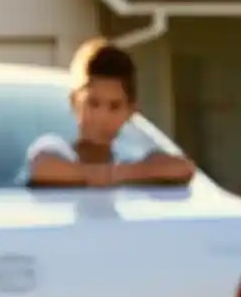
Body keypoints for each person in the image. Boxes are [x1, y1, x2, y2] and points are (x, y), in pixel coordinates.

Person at [26, 38, 195, 187]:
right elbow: (43, 168)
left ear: (131, 111)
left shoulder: (129, 157)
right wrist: (128, 174)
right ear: (73, 102)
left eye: (114, 107)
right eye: (93, 104)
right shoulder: (56, 149)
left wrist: (114, 174)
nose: (102, 117)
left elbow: (182, 168)